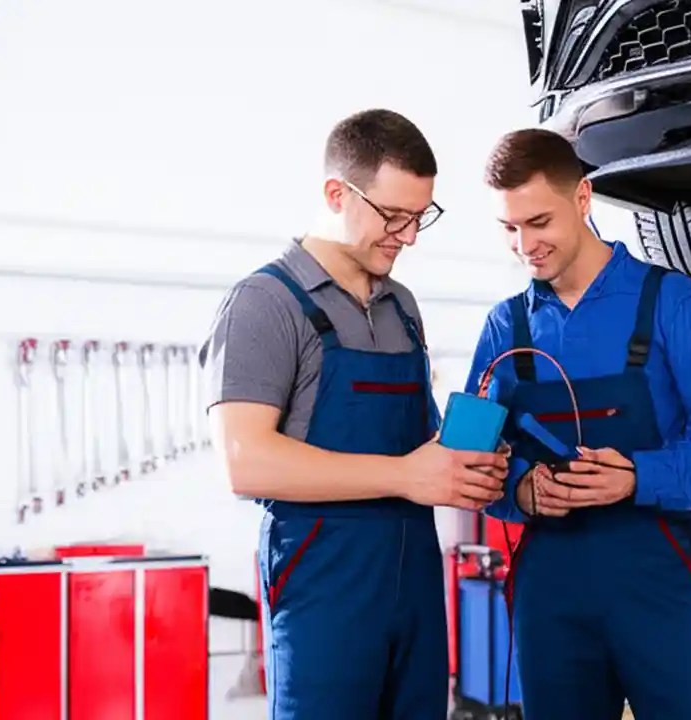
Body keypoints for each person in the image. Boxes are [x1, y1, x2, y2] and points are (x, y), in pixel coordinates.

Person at [201, 108, 508, 720]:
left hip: (416, 582)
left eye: (420, 218)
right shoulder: (265, 303)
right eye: (393, 216)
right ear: (336, 194)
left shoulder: (402, 306)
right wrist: (406, 477)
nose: (409, 236)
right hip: (325, 589)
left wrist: (464, 463)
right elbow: (245, 462)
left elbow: (417, 446)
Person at [463, 128, 691, 720]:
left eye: (538, 222)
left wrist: (637, 477)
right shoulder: (502, 328)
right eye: (509, 229)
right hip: (550, 592)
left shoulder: (674, 303)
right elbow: (468, 458)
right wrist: (518, 490)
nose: (525, 245)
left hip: (655, 578)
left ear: (582, 199)